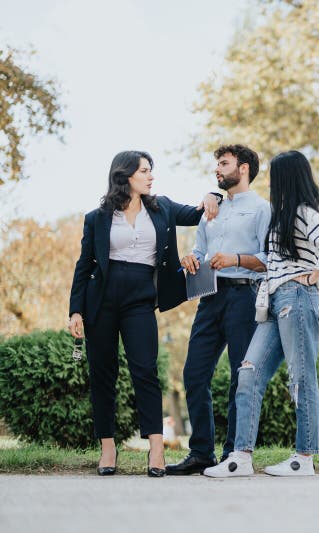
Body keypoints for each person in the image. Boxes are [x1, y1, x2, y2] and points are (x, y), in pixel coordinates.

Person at [68, 150, 221, 476]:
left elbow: (197, 214)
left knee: (145, 371)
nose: (151, 176)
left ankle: (155, 449)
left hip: (141, 301)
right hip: (101, 302)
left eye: (151, 171)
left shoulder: (162, 207)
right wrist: (75, 311)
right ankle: (108, 450)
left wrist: (212, 194)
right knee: (103, 375)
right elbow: (85, 266)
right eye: (144, 171)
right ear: (125, 176)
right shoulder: (97, 217)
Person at [203, 150, 319, 478]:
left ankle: (303, 458)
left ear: (285, 177)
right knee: (249, 372)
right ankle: (241, 457)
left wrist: (314, 274)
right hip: (273, 303)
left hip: (297, 299)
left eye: (275, 175)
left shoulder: (302, 212)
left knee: (301, 377)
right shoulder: (282, 213)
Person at [166, 144, 271, 475]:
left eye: (223, 164)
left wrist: (235, 259)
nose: (217, 169)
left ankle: (233, 454)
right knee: (194, 374)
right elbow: (199, 247)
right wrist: (191, 258)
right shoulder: (210, 209)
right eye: (216, 165)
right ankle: (200, 453)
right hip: (209, 297)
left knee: (241, 378)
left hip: (244, 297)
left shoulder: (262, 209)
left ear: (243, 169)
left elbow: (269, 261)